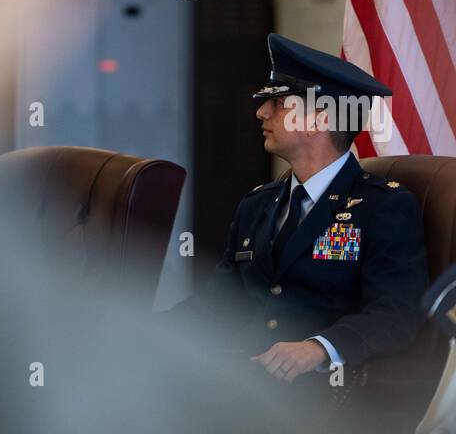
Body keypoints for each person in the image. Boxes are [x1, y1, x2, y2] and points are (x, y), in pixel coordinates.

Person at [182, 33, 430, 383]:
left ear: (319, 120)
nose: (261, 111)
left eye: (279, 104)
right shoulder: (258, 204)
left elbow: (396, 314)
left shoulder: (382, 207)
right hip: (238, 384)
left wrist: (318, 349)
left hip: (320, 398)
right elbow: (218, 303)